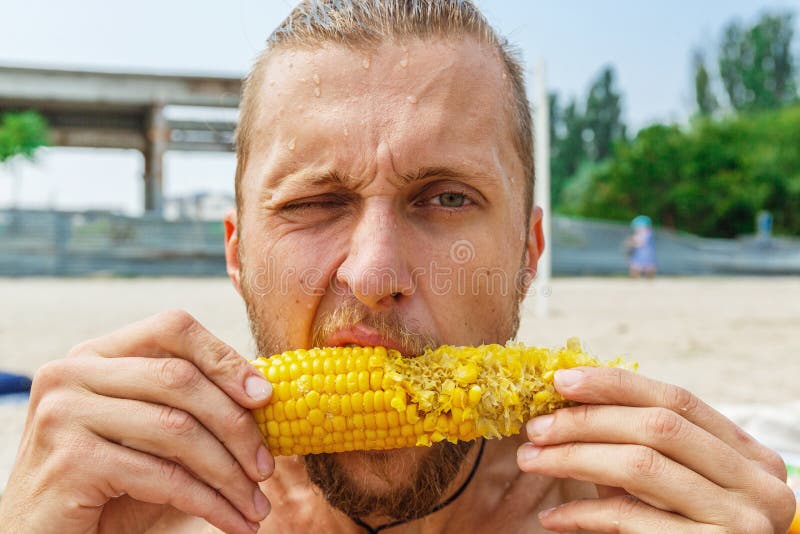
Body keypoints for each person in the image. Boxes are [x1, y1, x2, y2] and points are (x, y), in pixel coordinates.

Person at [1, 1, 794, 533]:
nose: (374, 272)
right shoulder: (124, 511)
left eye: (444, 198)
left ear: (529, 253)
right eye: (314, 203)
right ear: (237, 254)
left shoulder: (665, 506)